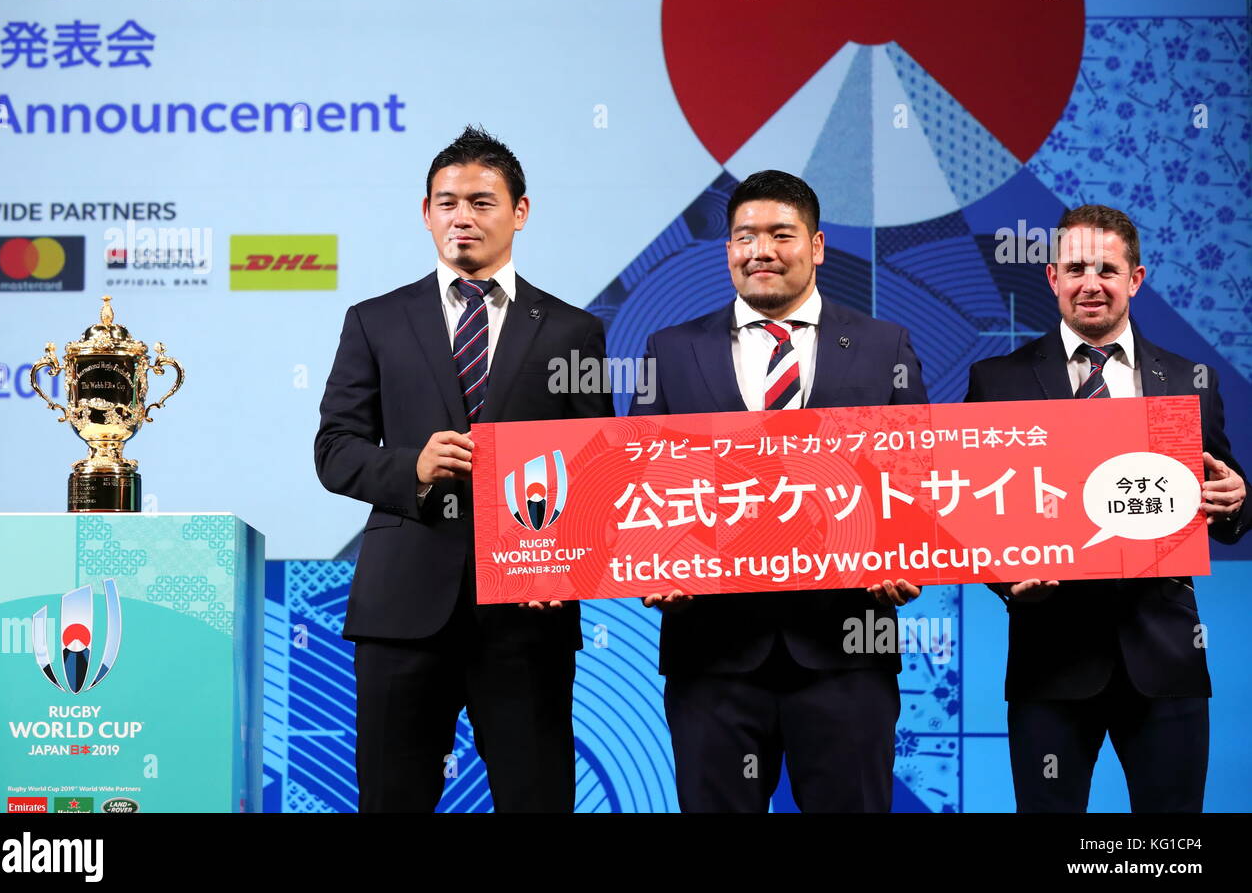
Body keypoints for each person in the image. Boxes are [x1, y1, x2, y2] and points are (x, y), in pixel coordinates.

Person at [314, 126, 611, 812]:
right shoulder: (375, 321)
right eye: (446, 202)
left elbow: (594, 468)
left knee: (536, 797)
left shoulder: (573, 331)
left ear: (520, 211)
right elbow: (334, 449)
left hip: (527, 613)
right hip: (402, 609)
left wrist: (564, 569)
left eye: (481, 201)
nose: (462, 217)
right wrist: (410, 467)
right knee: (392, 798)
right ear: (426, 213)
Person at [637, 170, 928, 812]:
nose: (760, 250)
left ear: (817, 246)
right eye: (744, 236)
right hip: (710, 656)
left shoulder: (886, 348)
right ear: (728, 249)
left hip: (847, 653)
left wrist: (907, 559)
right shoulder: (670, 350)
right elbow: (642, 488)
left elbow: (917, 480)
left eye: (780, 234)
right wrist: (654, 569)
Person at [965, 203, 1248, 812]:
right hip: (1050, 661)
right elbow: (969, 517)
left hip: (1165, 660)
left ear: (1135, 279)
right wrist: (1008, 583)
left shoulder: (1188, 379)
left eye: (1106, 269)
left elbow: (1222, 496)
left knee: (1170, 850)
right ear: (1052, 278)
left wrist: (1236, 499)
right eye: (1075, 269)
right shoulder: (997, 381)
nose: (1090, 284)